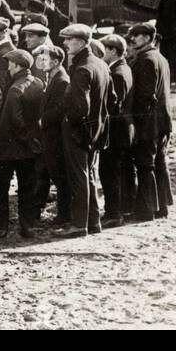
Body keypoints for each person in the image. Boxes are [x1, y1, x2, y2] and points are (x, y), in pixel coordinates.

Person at [59, 23, 111, 238]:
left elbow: (80, 107)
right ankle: (93, 220)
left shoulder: (82, 68)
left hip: (79, 131)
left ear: (80, 42)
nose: (64, 43)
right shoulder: (100, 64)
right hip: (95, 129)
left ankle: (80, 224)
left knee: (79, 176)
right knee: (88, 175)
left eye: (68, 39)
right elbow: (111, 98)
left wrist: (70, 122)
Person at [0, 49, 42, 239]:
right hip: (29, 148)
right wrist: (33, 141)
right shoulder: (37, 83)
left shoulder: (14, 90)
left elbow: (13, 121)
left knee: (0, 187)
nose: (8, 67)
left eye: (11, 64)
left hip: (10, 148)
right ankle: (27, 225)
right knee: (27, 188)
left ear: (18, 66)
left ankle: (0, 227)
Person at [126, 23, 174, 220]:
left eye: (136, 36)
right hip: (162, 120)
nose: (132, 40)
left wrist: (137, 123)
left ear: (147, 38)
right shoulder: (160, 57)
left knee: (145, 164)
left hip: (149, 122)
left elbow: (146, 95)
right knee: (159, 162)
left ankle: (146, 210)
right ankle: (161, 207)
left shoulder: (145, 59)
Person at [32, 44, 72, 226]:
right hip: (49, 135)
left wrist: (43, 120)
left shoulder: (61, 80)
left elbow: (60, 108)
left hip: (55, 136)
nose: (41, 62)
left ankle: (64, 215)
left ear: (55, 62)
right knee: (49, 173)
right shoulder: (54, 77)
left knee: (59, 177)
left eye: (44, 59)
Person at [98, 34, 135, 226]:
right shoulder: (123, 68)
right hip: (122, 130)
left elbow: (115, 106)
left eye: (104, 49)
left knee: (110, 172)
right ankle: (120, 209)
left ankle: (114, 213)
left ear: (112, 51)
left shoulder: (118, 73)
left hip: (116, 131)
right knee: (117, 172)